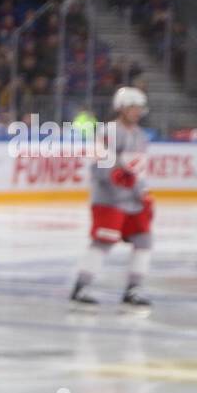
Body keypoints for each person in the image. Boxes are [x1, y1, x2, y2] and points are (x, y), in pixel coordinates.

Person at [70, 86, 154, 310]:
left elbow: (140, 169)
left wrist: (144, 194)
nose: (137, 112)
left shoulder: (140, 136)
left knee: (144, 240)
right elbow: (99, 165)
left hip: (132, 200)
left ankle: (133, 288)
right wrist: (115, 174)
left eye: (139, 108)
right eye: (133, 107)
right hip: (109, 200)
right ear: (122, 108)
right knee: (103, 241)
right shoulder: (109, 132)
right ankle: (81, 286)